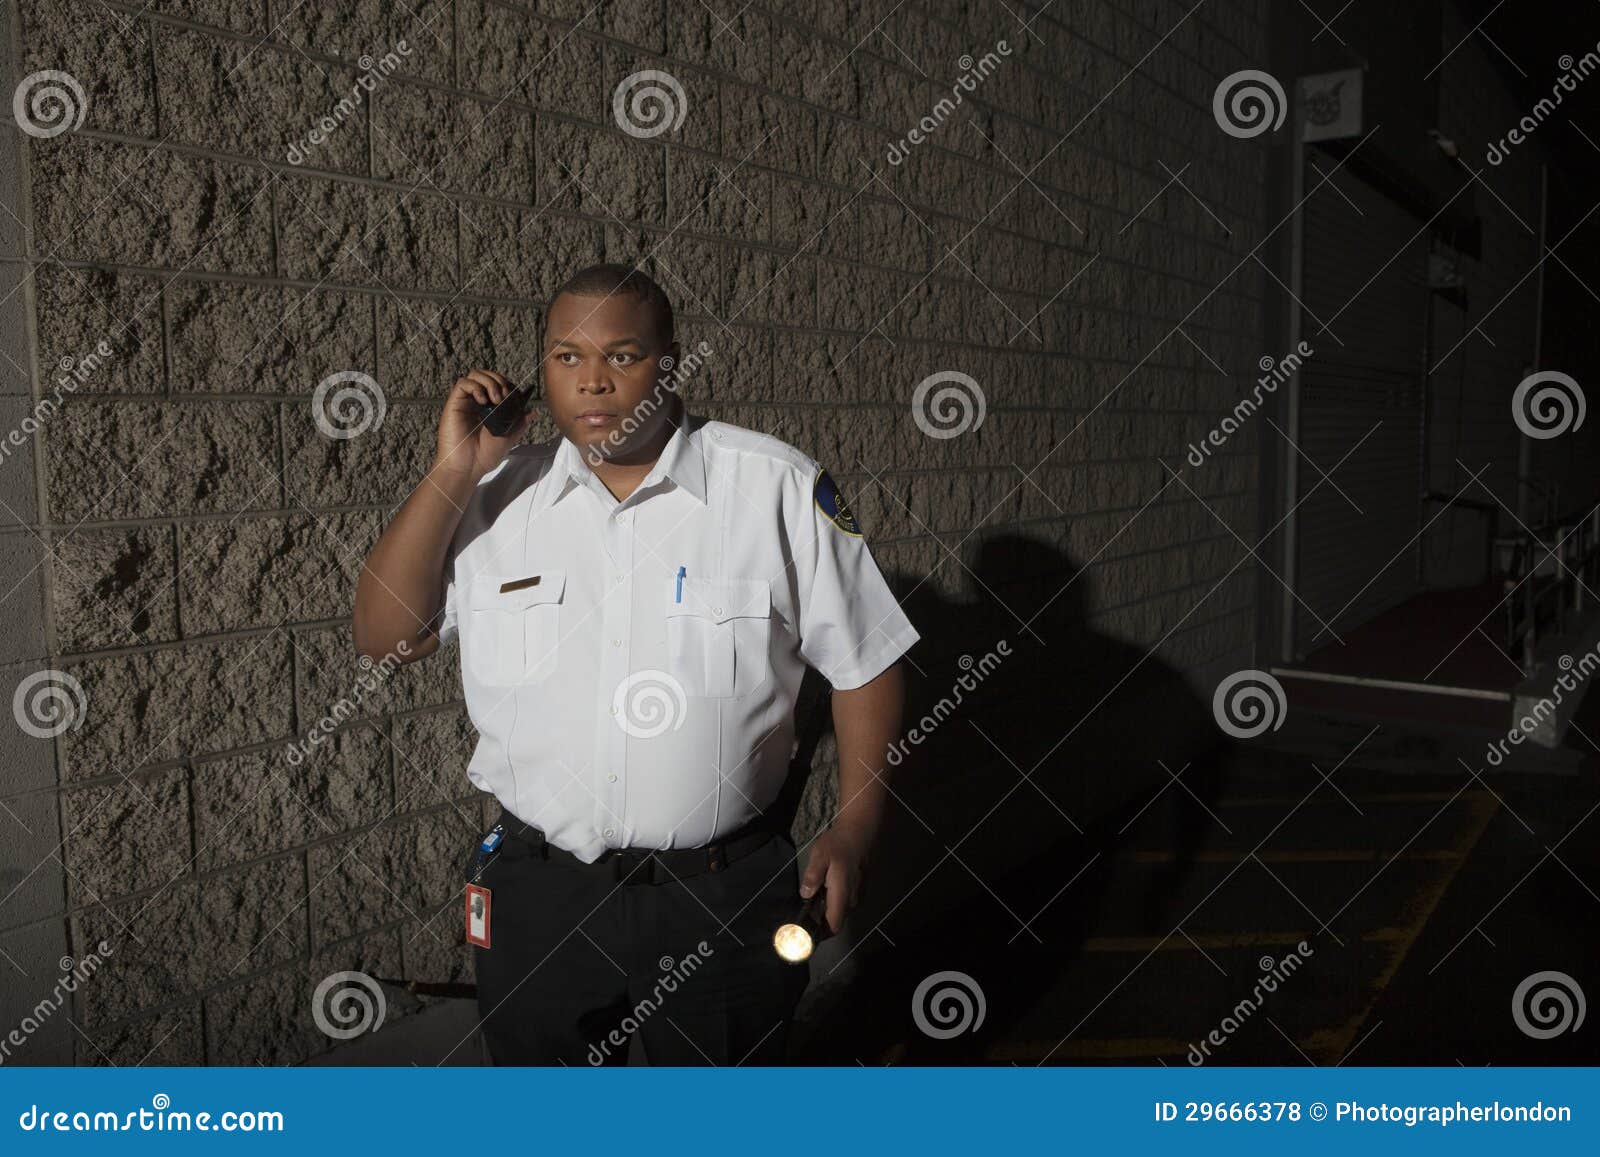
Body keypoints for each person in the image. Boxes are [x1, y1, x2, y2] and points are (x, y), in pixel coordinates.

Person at [352, 263, 919, 1065]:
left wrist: (857, 826)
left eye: (622, 356)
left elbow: (866, 662)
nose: (592, 383)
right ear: (539, 370)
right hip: (539, 895)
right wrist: (452, 468)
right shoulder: (492, 497)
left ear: (671, 362)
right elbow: (383, 636)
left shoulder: (770, 487)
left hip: (721, 893)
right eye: (565, 358)